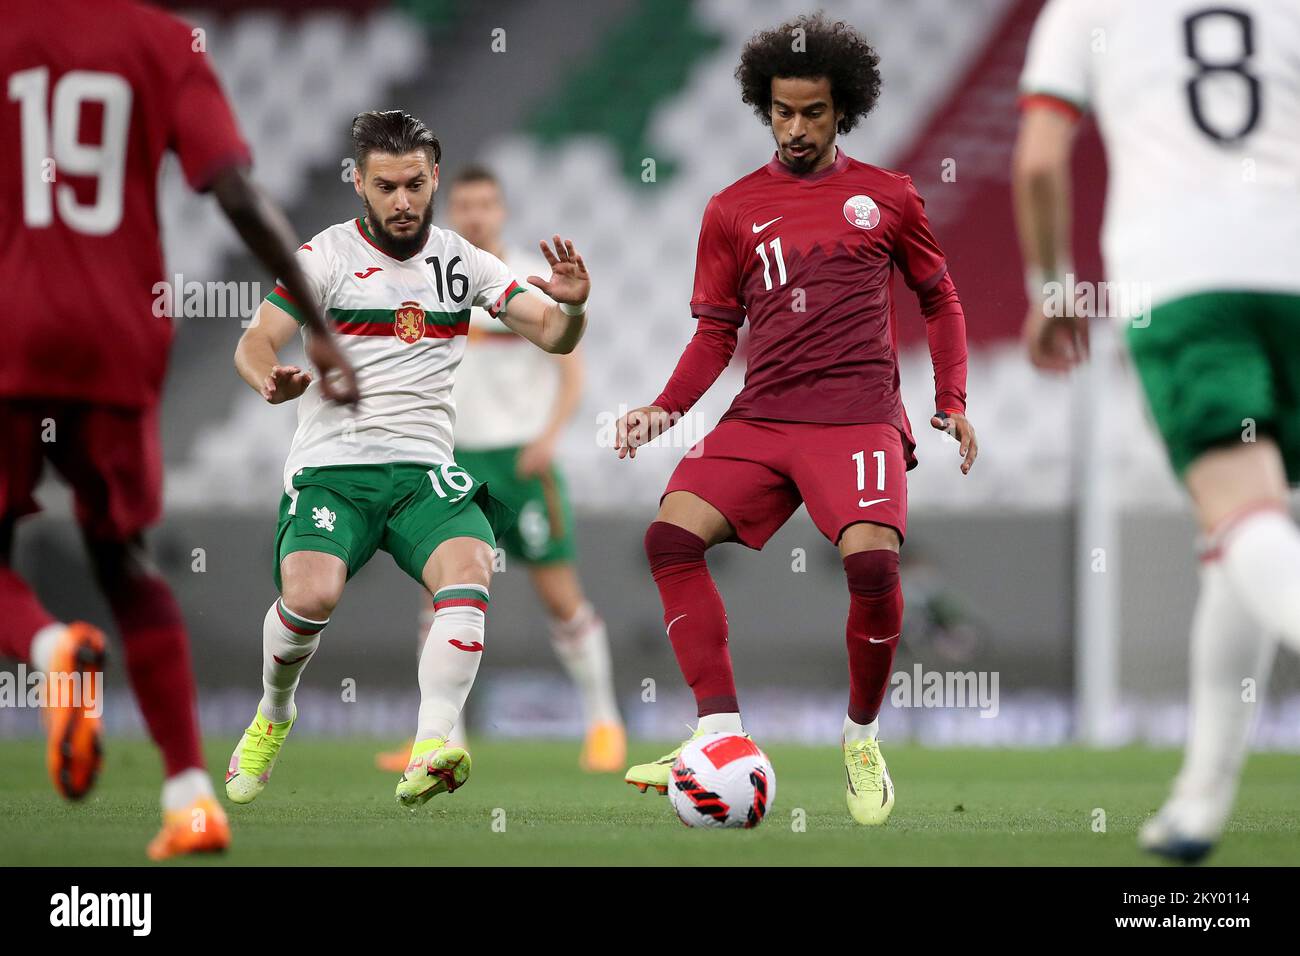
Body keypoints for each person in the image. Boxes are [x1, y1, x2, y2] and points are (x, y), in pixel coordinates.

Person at [0, 0, 356, 860]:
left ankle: (48, 645)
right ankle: (192, 795)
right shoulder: (164, 42)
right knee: (125, 561)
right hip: (120, 338)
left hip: (12, 330)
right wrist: (320, 323)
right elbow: (234, 189)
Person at [616, 14, 976, 826]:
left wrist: (949, 400)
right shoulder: (731, 209)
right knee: (670, 540)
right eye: (783, 111)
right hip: (764, 415)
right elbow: (715, 332)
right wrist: (662, 411)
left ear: (840, 108)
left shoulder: (887, 196)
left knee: (874, 571)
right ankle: (716, 733)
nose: (797, 127)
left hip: (856, 417)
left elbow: (940, 298)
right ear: (764, 109)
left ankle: (859, 736)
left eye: (814, 112)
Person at [225, 110, 591, 809]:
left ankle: (431, 746)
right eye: (386, 186)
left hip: (423, 471)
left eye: (415, 185)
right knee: (310, 596)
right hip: (334, 467)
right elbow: (255, 341)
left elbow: (552, 333)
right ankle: (274, 714)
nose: (402, 201)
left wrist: (572, 308)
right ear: (359, 182)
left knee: (471, 562)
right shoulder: (322, 258)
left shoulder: (466, 263)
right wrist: (268, 377)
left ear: (434, 181)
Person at [1016, 0, 1300, 862]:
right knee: (1246, 527)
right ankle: (1198, 804)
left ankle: (1198, 801)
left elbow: (1036, 164)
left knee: (1239, 513)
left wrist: (1052, 288)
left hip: (1183, 277)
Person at [375, 165, 624, 775]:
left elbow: (571, 369)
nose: (477, 214)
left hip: (521, 457)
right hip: (453, 459)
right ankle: (440, 736)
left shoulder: (523, 282)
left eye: (487, 203)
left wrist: (548, 437)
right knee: (440, 600)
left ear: (503, 211)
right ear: (450, 210)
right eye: (466, 204)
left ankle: (604, 722)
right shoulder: (428, 281)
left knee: (560, 597)